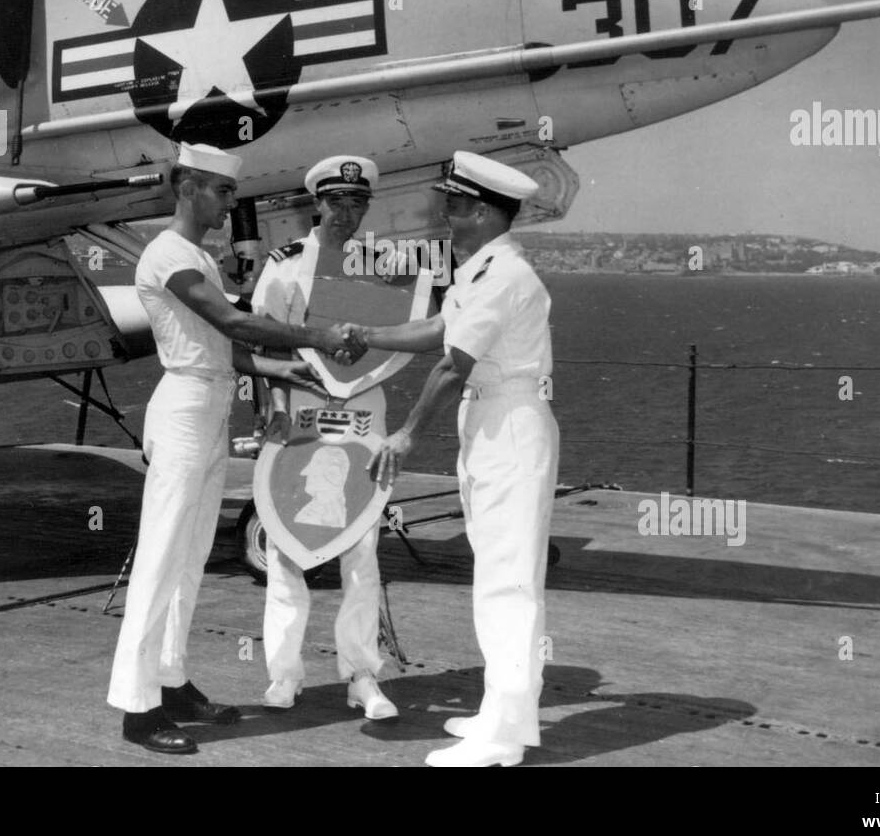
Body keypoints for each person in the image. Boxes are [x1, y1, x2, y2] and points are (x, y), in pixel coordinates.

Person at [107, 143, 362, 754]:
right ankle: (137, 708)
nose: (229, 206)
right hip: (185, 408)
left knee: (190, 555)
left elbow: (227, 347)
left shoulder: (198, 255)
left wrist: (286, 369)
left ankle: (170, 679)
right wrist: (318, 336)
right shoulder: (169, 253)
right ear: (189, 187)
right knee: (161, 556)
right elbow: (231, 323)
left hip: (210, 400)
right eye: (222, 193)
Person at [354, 151, 558, 767]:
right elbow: (440, 329)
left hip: (511, 426)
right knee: (497, 577)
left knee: (510, 585)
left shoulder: (504, 275)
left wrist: (408, 434)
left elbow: (452, 363)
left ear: (483, 211)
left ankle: (505, 738)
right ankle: (501, 715)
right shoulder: (479, 269)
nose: (445, 211)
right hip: (492, 424)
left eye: (454, 202)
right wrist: (364, 336)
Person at [251, 155, 398, 722]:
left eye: (358, 203)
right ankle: (284, 674)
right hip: (304, 410)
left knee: (362, 547)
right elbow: (267, 343)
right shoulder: (286, 264)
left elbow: (395, 339)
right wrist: (278, 408)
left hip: (363, 413)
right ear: (317, 203)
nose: (347, 212)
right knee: (288, 542)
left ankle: (363, 676)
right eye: (337, 201)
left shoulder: (383, 266)